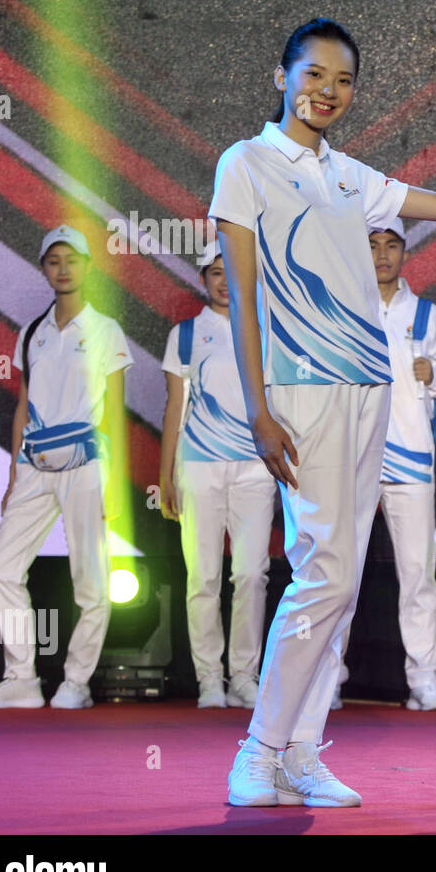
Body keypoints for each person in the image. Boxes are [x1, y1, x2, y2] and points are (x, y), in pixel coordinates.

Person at [215, 18, 436, 807]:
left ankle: (298, 750)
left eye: (343, 81)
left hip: (369, 392)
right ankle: (261, 749)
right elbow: (242, 302)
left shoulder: (351, 176)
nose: (327, 91)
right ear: (282, 77)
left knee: (335, 580)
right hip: (299, 392)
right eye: (313, 74)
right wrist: (259, 409)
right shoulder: (246, 163)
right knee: (325, 571)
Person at [0, 225, 131, 711]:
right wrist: (13, 474)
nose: (63, 269)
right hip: (34, 464)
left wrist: (115, 487)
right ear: (44, 268)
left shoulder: (105, 330)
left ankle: (76, 682)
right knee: (3, 567)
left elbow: (115, 414)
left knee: (91, 579)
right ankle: (21, 677)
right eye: (54, 261)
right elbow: (23, 404)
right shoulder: (32, 333)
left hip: (86, 462)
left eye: (72, 260)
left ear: (87, 266)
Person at [332, 219, 436, 712]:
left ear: (404, 252)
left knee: (417, 573)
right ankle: (330, 677)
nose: (382, 254)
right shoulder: (344, 307)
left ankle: (424, 679)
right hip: (355, 460)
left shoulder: (426, 315)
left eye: (391, 245)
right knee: (340, 576)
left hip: (411, 459)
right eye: (372, 245)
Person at [158, 240, 276, 710]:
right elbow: (175, 407)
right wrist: (166, 473)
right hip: (199, 466)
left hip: (255, 466)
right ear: (202, 279)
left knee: (251, 573)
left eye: (233, 272)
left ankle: (244, 676)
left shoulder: (267, 329)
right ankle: (209, 678)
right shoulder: (185, 335)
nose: (225, 282)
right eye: (215, 273)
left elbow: (281, 403)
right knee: (202, 576)